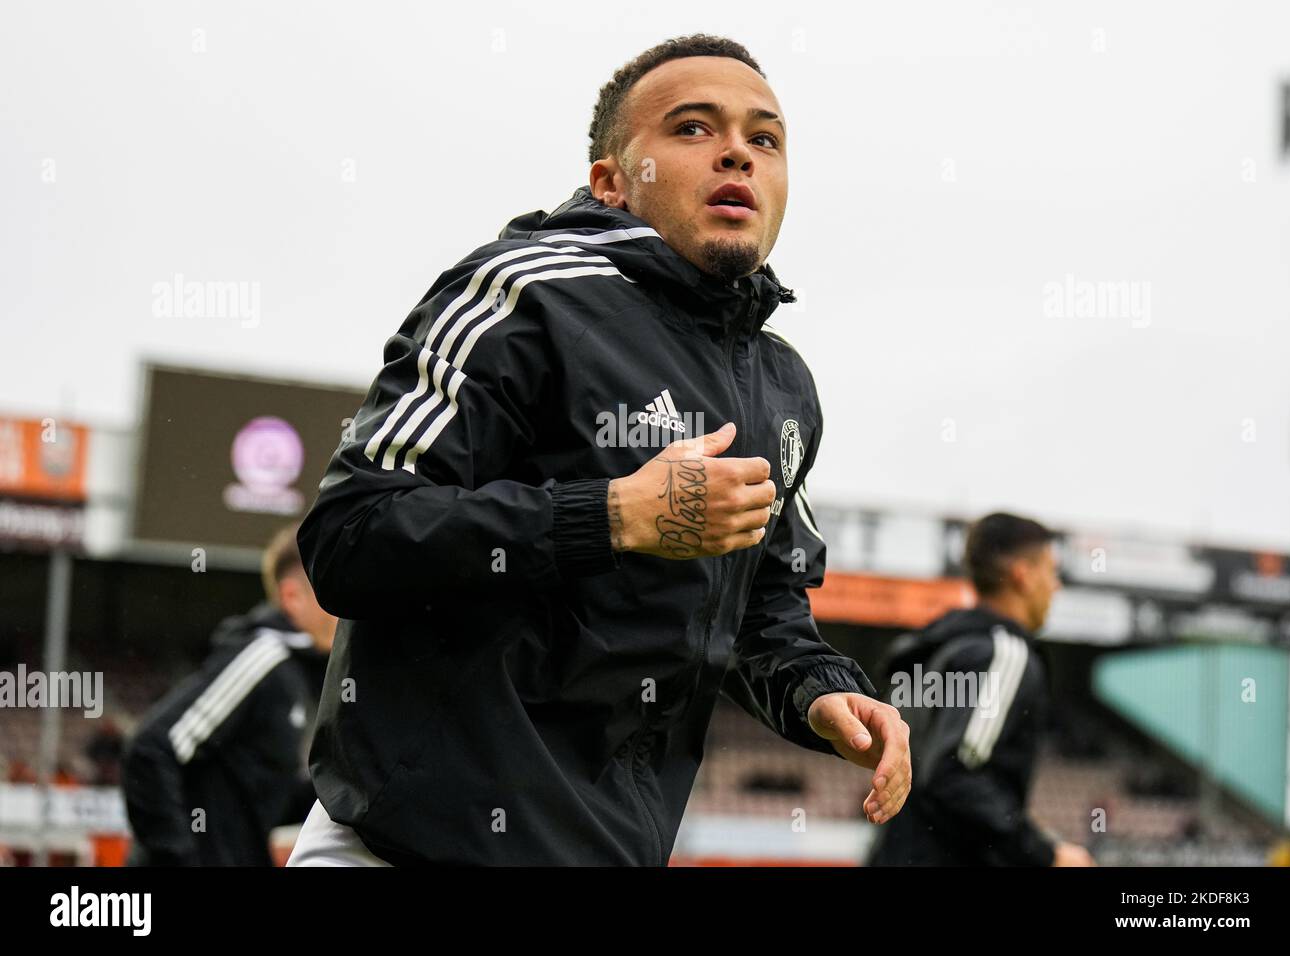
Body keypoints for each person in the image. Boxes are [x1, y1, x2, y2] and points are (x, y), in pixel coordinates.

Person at [289, 33, 911, 867]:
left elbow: (764, 607)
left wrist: (821, 690)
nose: (738, 151)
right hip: (409, 848)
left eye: (765, 139)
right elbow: (351, 535)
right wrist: (614, 515)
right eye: (693, 128)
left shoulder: (782, 382)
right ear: (613, 183)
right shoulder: (522, 294)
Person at [868, 513, 1095, 866]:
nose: (1056, 586)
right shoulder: (1004, 653)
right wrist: (1046, 854)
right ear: (1023, 574)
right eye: (1051, 571)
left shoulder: (939, 648)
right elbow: (955, 776)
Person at [123, 525, 335, 865]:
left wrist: (340, 782)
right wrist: (178, 858)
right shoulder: (264, 655)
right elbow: (150, 750)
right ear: (293, 596)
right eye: (332, 589)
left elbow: (257, 802)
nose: (345, 606)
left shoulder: (293, 673)